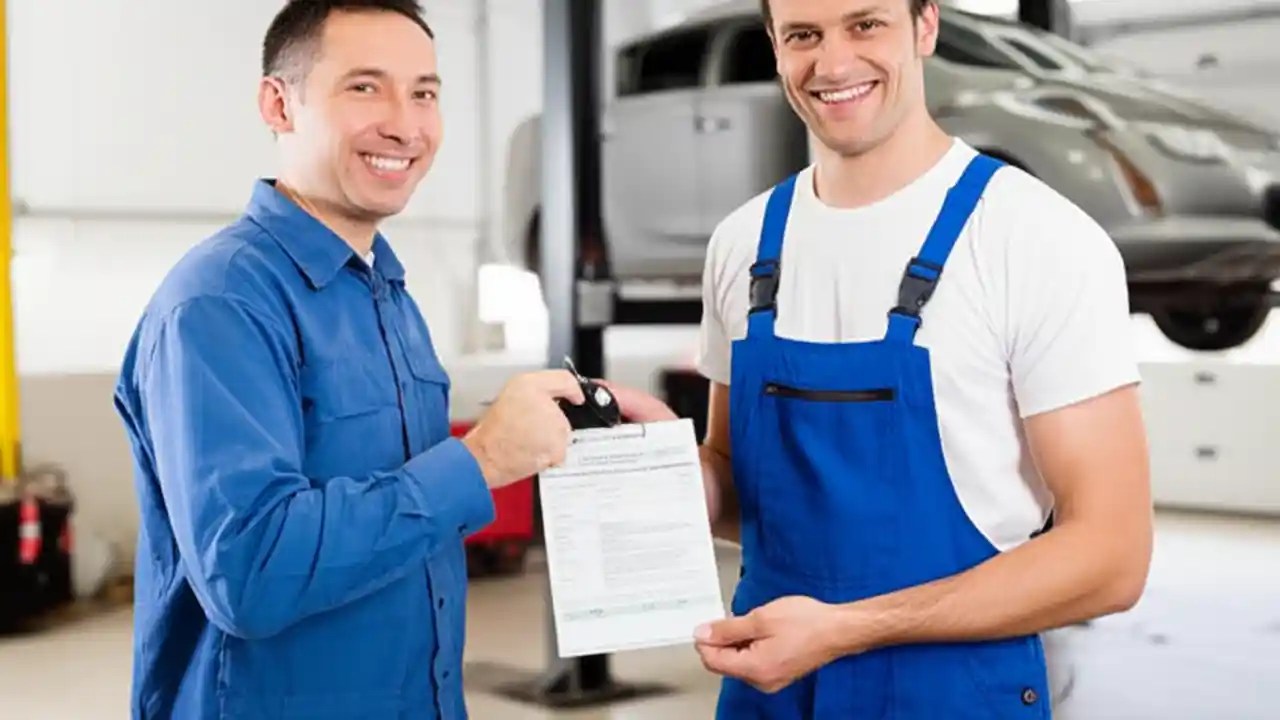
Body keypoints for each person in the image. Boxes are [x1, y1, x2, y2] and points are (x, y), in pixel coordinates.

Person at [613, 0, 1153, 716]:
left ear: (925, 25)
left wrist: (844, 631)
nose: (833, 64)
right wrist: (658, 468)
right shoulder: (742, 246)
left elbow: (1111, 557)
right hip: (769, 690)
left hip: (950, 695)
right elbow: (749, 498)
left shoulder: (1036, 238)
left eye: (864, 24)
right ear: (774, 46)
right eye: (803, 35)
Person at [112, 2, 585, 717]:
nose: (405, 122)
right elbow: (251, 570)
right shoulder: (220, 302)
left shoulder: (387, 294)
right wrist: (483, 460)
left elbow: (399, 500)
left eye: (424, 92)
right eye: (365, 87)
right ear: (279, 103)